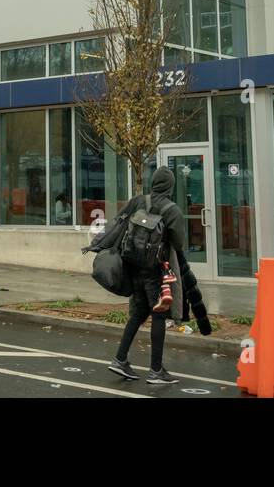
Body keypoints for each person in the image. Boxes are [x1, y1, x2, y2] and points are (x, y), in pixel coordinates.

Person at [107, 165, 186, 385]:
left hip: (134, 267)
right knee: (159, 314)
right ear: (170, 186)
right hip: (157, 271)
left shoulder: (138, 201)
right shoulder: (172, 210)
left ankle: (120, 359)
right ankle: (156, 370)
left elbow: (118, 225)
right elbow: (179, 243)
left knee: (139, 313)